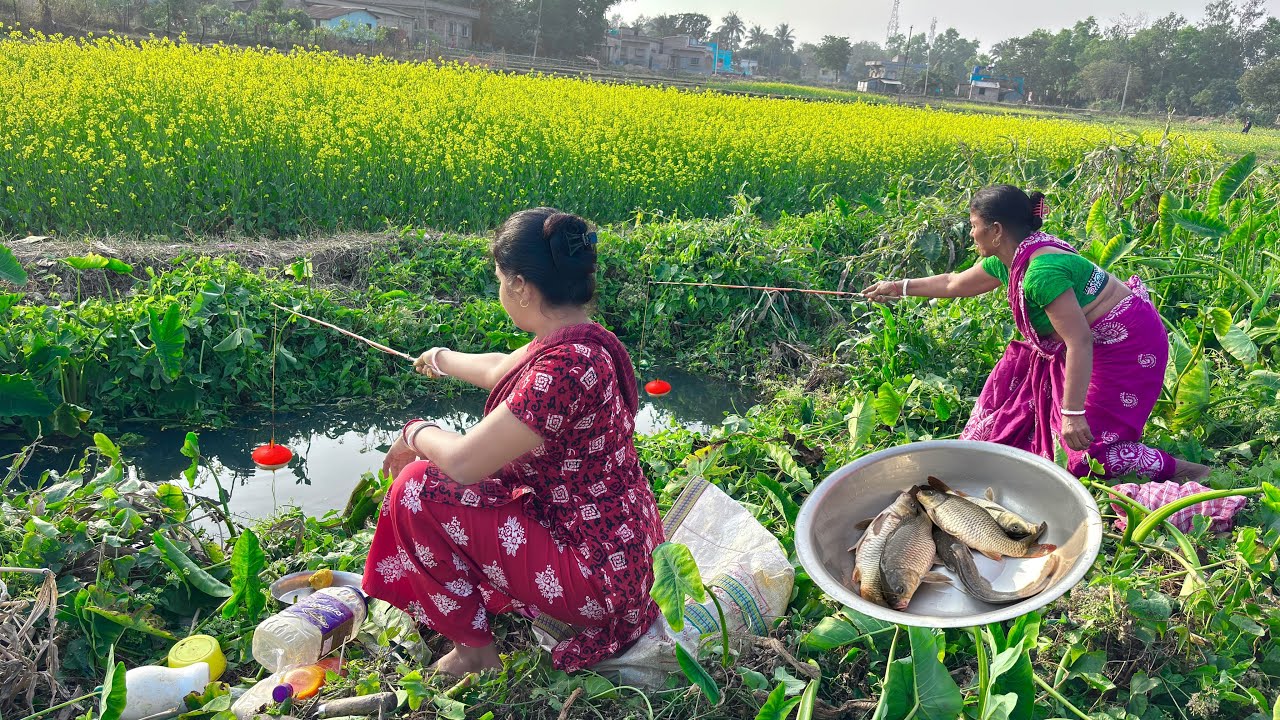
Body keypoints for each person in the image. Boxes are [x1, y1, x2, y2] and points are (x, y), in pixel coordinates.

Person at [363, 208, 663, 677]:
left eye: (501, 279)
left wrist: (413, 434)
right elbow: (502, 367)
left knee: (419, 489)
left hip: (598, 577)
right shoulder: (583, 339)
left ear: (521, 285)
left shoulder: (564, 368)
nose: (501, 290)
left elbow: (463, 463)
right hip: (621, 552)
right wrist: (439, 358)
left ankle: (474, 655)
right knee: (444, 486)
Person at [862, 185, 1210, 483]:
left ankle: (1186, 471)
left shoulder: (1041, 273)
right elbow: (954, 283)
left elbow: (1078, 341)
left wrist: (1072, 413)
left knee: (1087, 455)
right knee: (1016, 409)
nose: (971, 234)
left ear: (996, 230)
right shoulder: (1011, 256)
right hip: (1085, 342)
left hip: (1125, 344)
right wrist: (898, 287)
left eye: (974, 226)